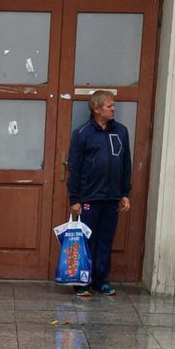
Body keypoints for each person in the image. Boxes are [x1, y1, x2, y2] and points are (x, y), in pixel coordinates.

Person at [65, 90, 131, 296]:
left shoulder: (121, 131)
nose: (113, 109)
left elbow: (126, 163)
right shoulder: (82, 133)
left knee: (105, 240)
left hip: (112, 198)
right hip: (89, 198)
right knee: (86, 241)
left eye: (113, 105)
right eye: (109, 106)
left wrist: (125, 192)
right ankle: (82, 282)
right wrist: (74, 198)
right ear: (96, 109)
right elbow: (74, 167)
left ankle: (101, 280)